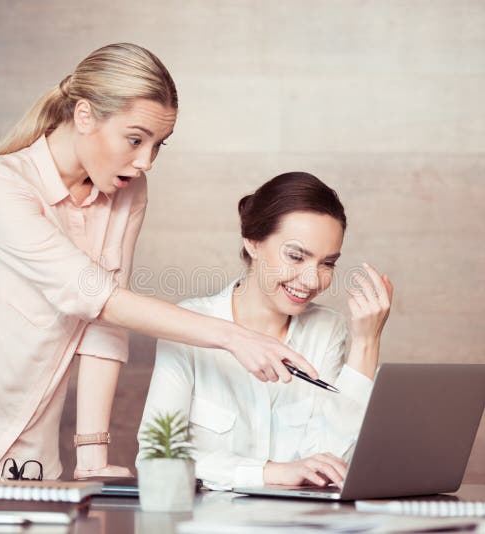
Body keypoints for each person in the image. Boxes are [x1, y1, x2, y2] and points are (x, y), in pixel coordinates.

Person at [0, 43, 318, 514]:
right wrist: (232, 337)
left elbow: (103, 325)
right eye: (135, 139)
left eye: (157, 145)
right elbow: (94, 295)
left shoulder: (127, 192)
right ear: (84, 115)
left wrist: (91, 450)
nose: (146, 161)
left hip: (11, 447)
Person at [137, 171, 394, 489]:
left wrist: (367, 342)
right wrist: (271, 471)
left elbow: (332, 463)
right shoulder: (190, 325)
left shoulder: (327, 330)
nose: (312, 280)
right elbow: (156, 458)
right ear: (253, 241)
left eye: (327, 264)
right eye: (296, 256)